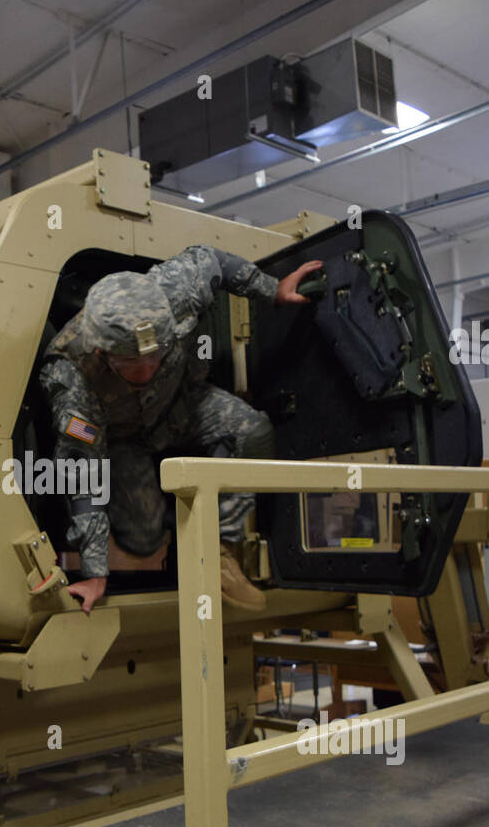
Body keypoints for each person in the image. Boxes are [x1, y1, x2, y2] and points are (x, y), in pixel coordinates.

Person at [39, 245, 323, 613]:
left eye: (155, 355)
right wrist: (95, 570)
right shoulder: (70, 374)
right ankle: (185, 516)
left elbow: (217, 261)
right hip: (124, 441)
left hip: (181, 404)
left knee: (253, 431)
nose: (146, 371)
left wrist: (272, 288)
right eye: (129, 363)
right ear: (100, 354)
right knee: (143, 537)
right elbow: (82, 471)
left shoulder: (177, 286)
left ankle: (219, 548)